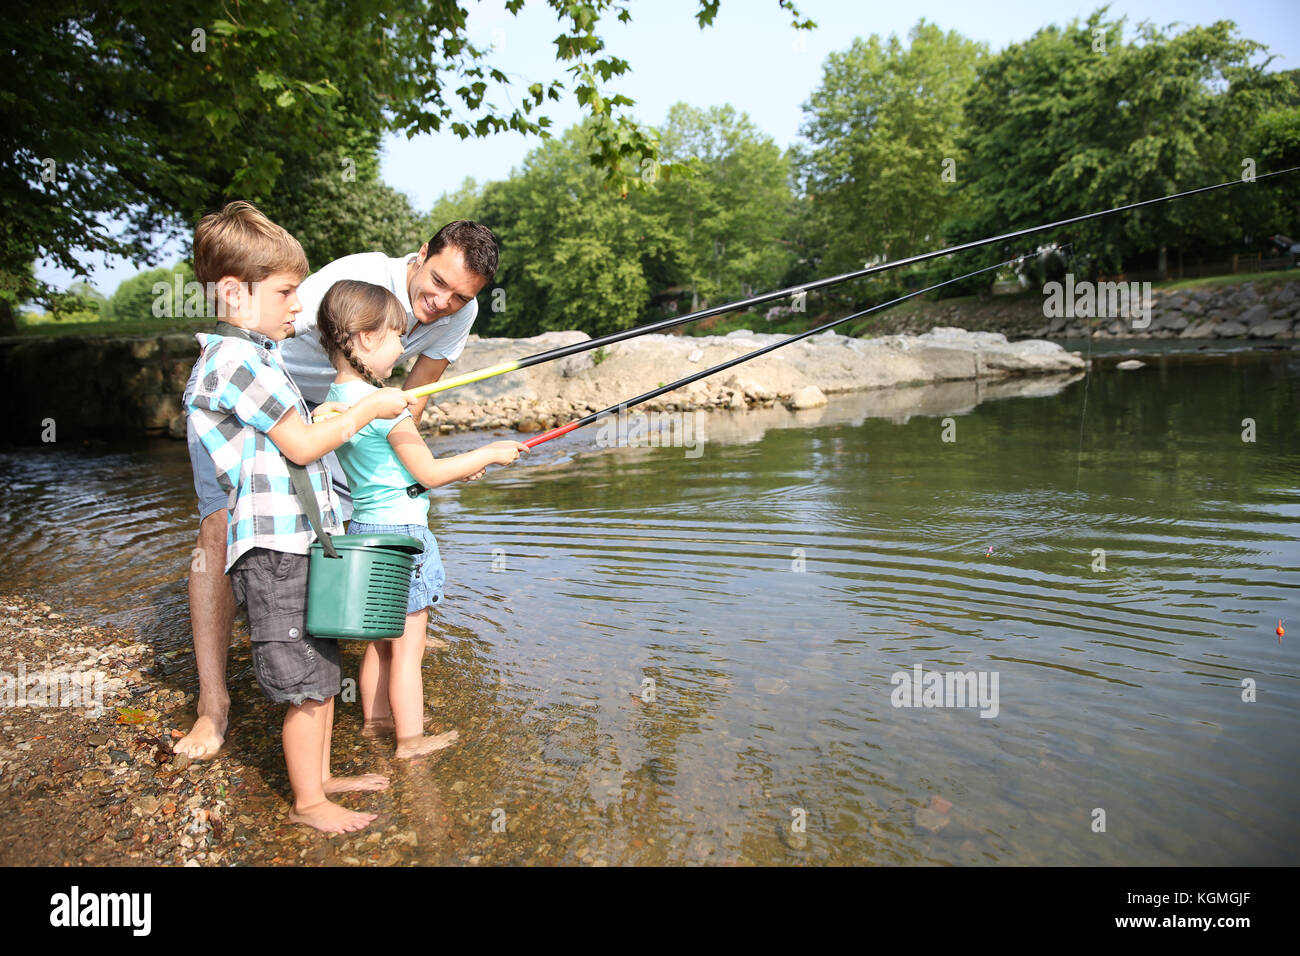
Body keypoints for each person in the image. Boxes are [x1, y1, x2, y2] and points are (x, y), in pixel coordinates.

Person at [175, 221, 501, 761]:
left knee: (338, 517)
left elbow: (414, 397)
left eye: (460, 296)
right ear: (420, 254)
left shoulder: (457, 314)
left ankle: (372, 632)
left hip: (340, 411)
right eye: (438, 281)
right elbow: (264, 328)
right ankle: (214, 705)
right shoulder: (352, 279)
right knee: (219, 532)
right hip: (268, 397)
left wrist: (389, 452)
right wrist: (357, 413)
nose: (442, 302)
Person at [182, 201, 410, 832]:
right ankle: (308, 803)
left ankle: (322, 775)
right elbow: (305, 446)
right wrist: (367, 412)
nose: (296, 306)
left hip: (300, 537)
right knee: (306, 680)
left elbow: (301, 434)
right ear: (233, 292)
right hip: (275, 548)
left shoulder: (260, 356)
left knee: (323, 661)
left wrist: (353, 412)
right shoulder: (234, 362)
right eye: (286, 291)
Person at [315, 279, 528, 758]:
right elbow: (429, 474)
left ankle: (376, 723)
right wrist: (488, 454)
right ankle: (410, 742)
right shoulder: (388, 407)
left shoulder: (336, 401)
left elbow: (402, 475)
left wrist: (464, 466)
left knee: (378, 643)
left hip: (365, 531)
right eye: (396, 336)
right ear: (366, 339)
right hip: (403, 536)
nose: (401, 347)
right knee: (408, 649)